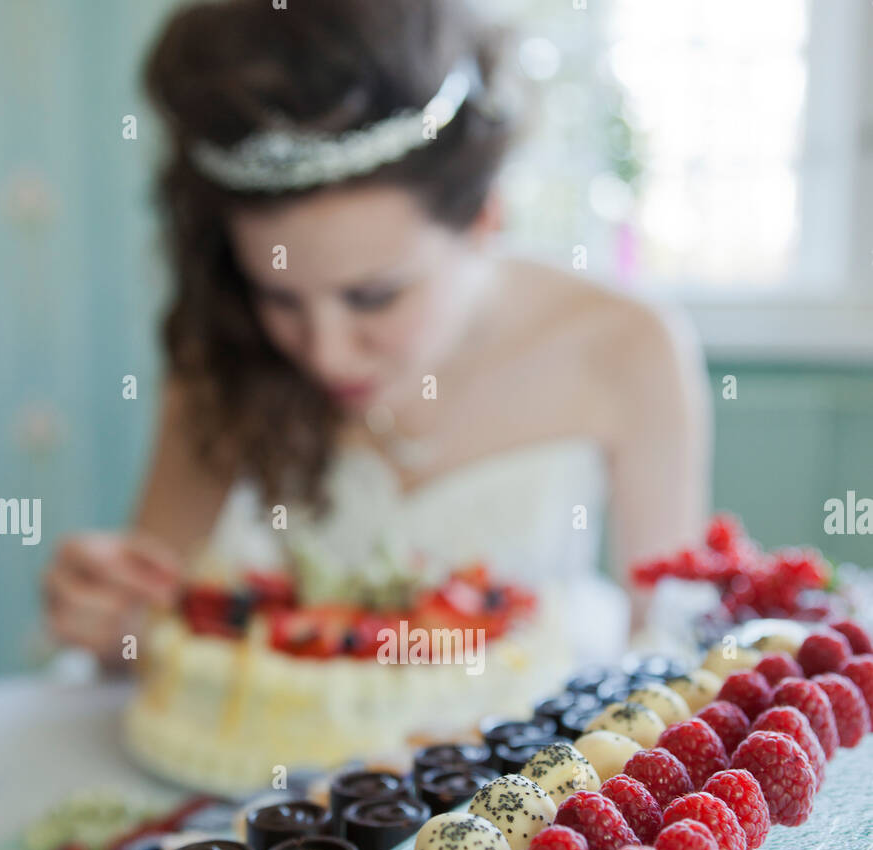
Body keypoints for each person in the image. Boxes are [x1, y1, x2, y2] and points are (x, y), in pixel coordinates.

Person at [43, 0, 710, 664]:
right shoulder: (222, 348)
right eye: (277, 296)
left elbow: (666, 648)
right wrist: (111, 618)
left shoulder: (627, 344)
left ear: (483, 219)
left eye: (373, 296)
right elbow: (151, 639)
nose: (326, 353)